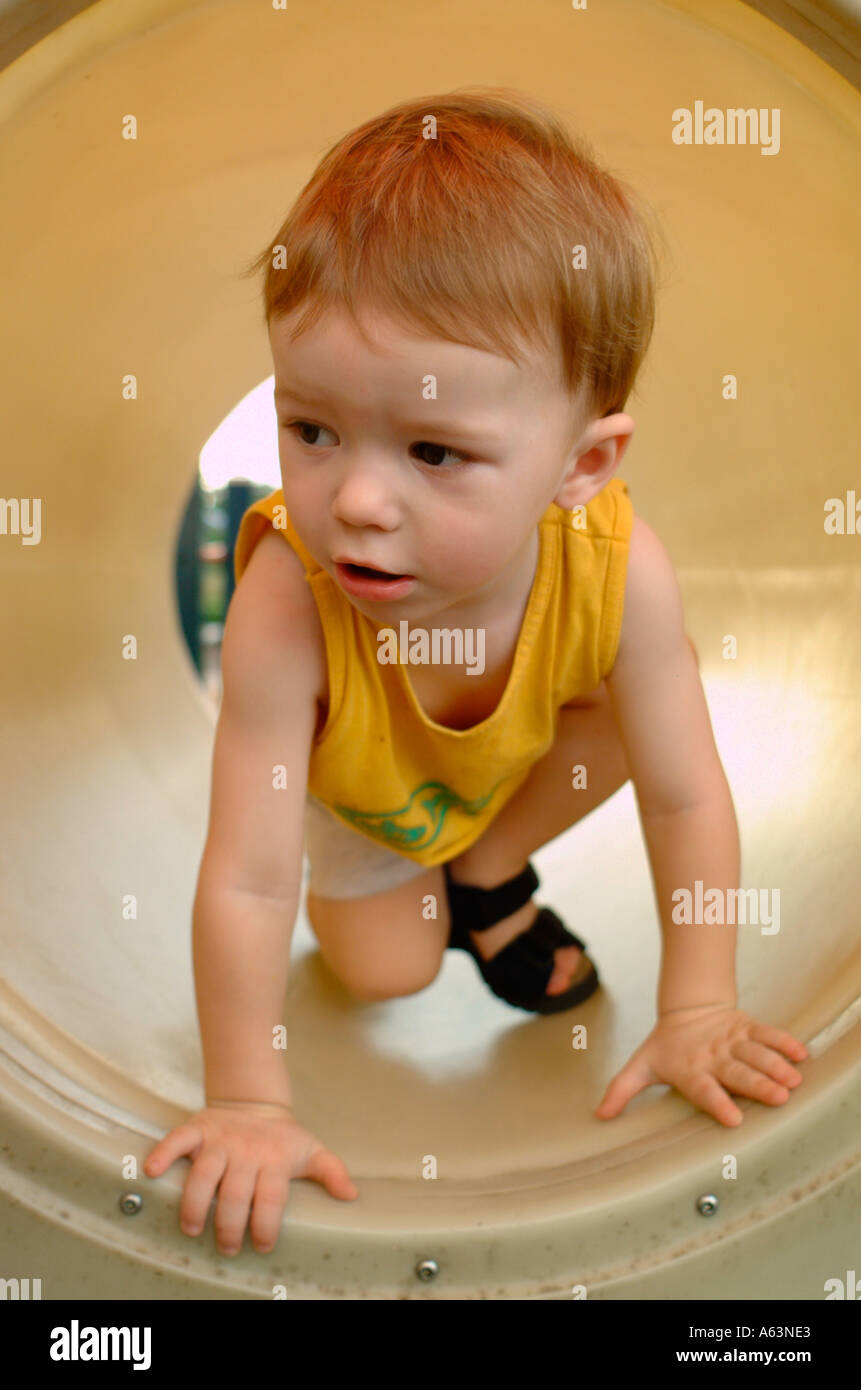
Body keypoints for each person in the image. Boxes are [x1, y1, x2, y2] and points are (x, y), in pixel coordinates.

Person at [144, 87, 807, 1258]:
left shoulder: (619, 568)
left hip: (522, 761)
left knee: (656, 697)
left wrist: (699, 1004)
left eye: (435, 449)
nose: (353, 499)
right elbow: (248, 876)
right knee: (389, 976)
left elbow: (687, 790)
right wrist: (249, 1098)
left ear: (580, 462)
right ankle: (450, 880)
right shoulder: (286, 600)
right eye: (312, 429)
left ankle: (491, 868)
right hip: (365, 806)